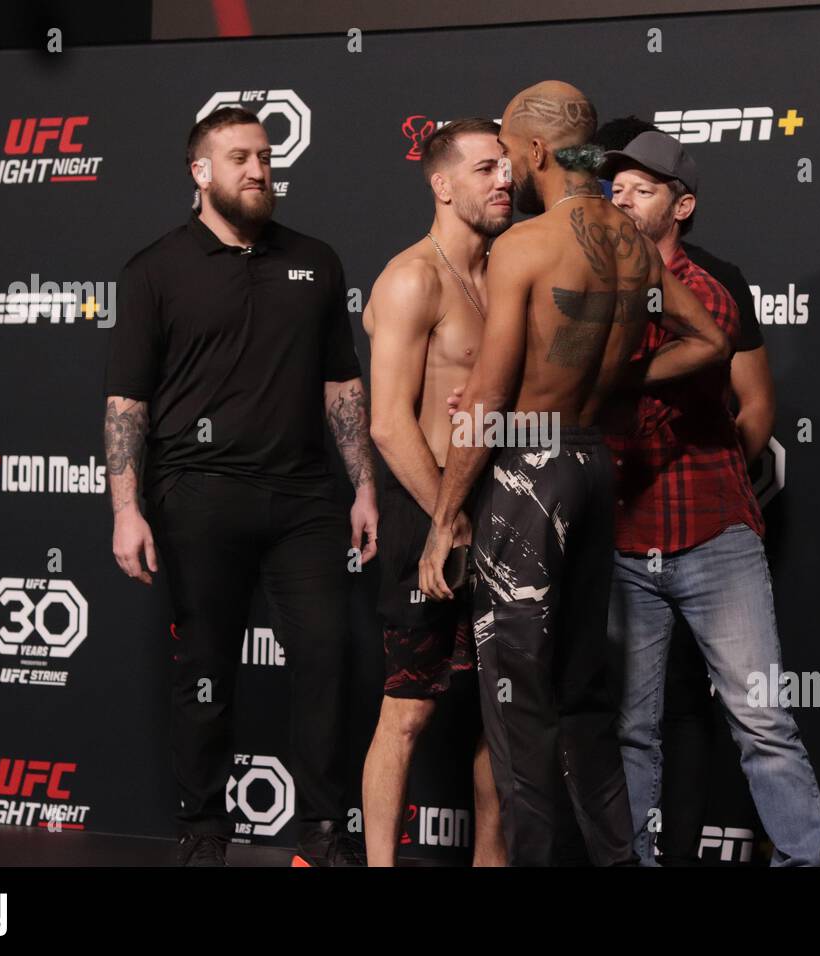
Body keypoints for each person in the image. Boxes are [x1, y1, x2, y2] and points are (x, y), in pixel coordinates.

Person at [417, 81, 731, 866]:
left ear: (532, 150)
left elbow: (488, 399)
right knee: (586, 692)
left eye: (510, 155)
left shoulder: (525, 245)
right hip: (593, 463)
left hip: (531, 470)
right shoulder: (630, 241)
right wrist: (621, 381)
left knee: (518, 699)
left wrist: (445, 517)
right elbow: (709, 343)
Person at [103, 106, 377, 867]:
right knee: (205, 673)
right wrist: (127, 509)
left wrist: (364, 488)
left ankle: (323, 835)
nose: (258, 170)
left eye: (264, 155)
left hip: (303, 501)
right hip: (198, 496)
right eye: (239, 158)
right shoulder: (154, 270)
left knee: (326, 657)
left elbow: (342, 384)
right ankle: (203, 831)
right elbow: (127, 404)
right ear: (201, 172)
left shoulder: (316, 261)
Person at [599, 130, 820, 866]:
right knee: (630, 726)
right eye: (616, 187)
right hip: (621, 536)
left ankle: (802, 861)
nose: (622, 197)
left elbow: (740, 390)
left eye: (642, 187)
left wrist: (719, 462)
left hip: (713, 534)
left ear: (683, 204)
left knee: (761, 718)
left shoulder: (709, 288)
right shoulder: (587, 284)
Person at [360, 118, 509, 867]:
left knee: (498, 714)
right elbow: (388, 423)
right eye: (485, 169)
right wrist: (444, 525)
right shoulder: (413, 277)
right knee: (408, 712)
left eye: (508, 168)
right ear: (442, 184)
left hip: (500, 515)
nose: (504, 181)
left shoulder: (505, 278)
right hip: (426, 518)